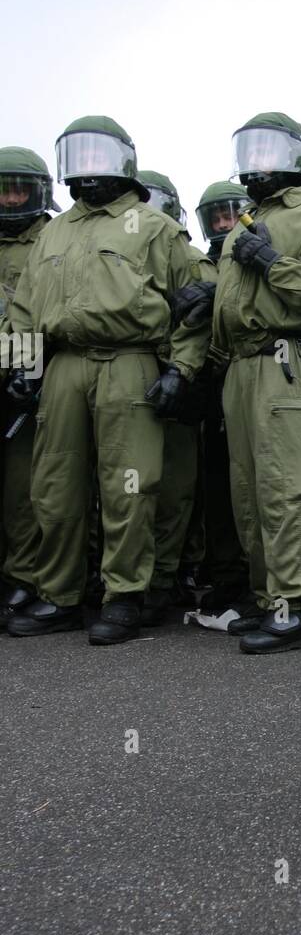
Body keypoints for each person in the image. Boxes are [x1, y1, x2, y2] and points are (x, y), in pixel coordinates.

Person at [6, 115, 211, 644]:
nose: (87, 168)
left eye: (99, 156)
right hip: (63, 367)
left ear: (123, 161)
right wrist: (24, 367)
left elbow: (194, 307)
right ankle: (59, 595)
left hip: (129, 361)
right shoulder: (54, 230)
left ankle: (125, 596)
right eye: (78, 157)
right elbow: (25, 310)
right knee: (54, 487)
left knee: (131, 485)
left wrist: (181, 371)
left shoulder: (152, 226)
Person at [211, 112, 301, 653]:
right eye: (249, 150)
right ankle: (270, 598)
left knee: (287, 489)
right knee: (250, 491)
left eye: (268, 149)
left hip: (286, 361)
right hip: (243, 367)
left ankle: (293, 607)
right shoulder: (245, 220)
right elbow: (233, 305)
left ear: (296, 155)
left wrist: (274, 263)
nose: (256, 161)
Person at [137, 169, 217, 624]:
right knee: (125, 490)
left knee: (174, 490)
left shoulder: (189, 258)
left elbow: (199, 326)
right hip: (129, 375)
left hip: (180, 382)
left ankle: (165, 578)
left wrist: (182, 373)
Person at [0, 147, 60, 626]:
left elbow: (36, 313)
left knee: (26, 490)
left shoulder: (54, 240)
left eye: (22, 187)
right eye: (6, 187)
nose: (13, 197)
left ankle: (24, 577)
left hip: (26, 373)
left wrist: (24, 370)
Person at [194, 180, 252, 614]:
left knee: (264, 485)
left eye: (230, 215)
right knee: (218, 489)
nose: (224, 224)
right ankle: (228, 576)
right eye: (215, 217)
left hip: (260, 381)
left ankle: (266, 581)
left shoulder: (256, 258)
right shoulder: (199, 265)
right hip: (212, 390)